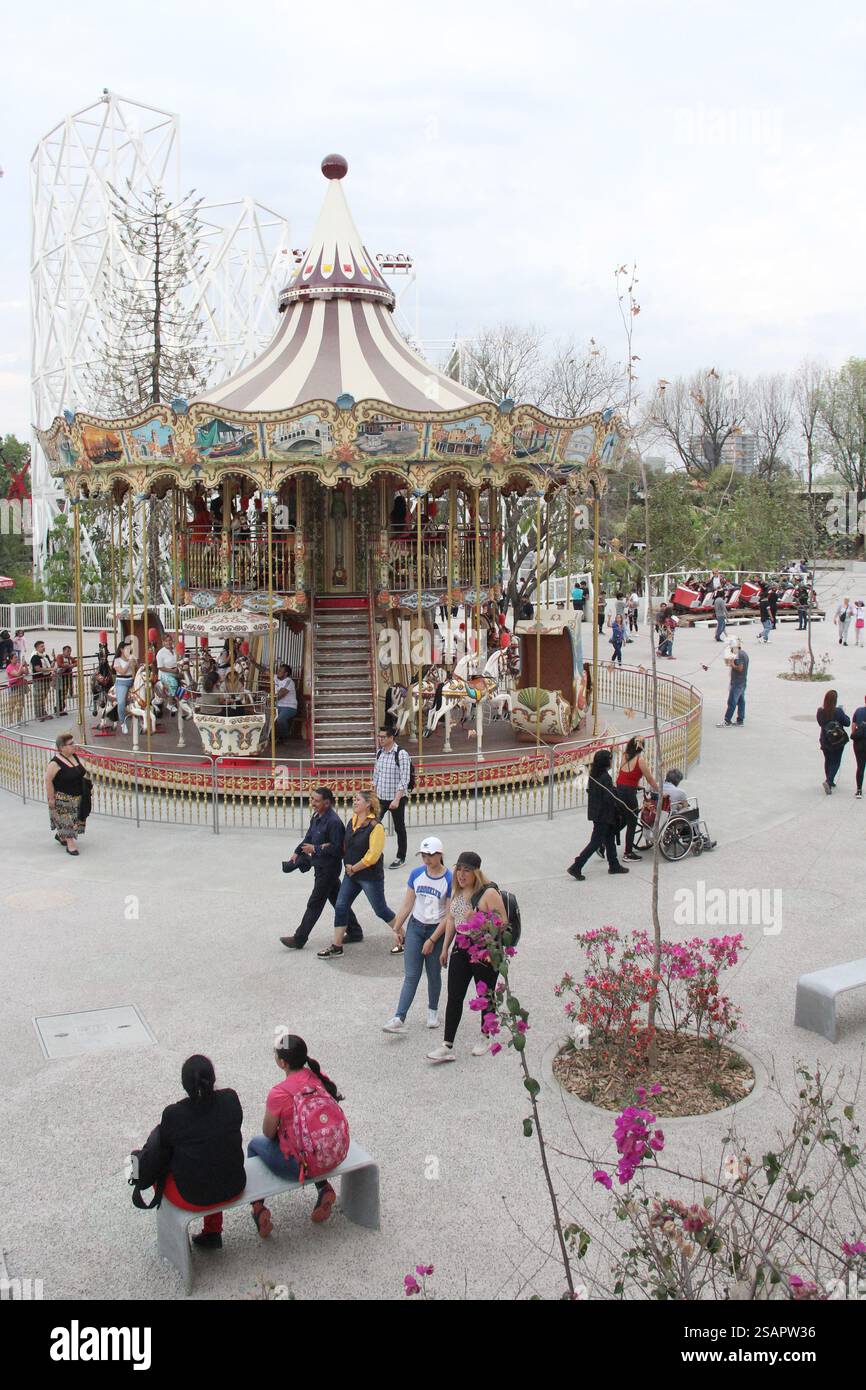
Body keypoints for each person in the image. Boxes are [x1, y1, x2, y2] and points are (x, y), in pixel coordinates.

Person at [131, 1055, 244, 1251]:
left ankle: (175, 1244)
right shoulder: (230, 1099)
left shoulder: (174, 1115)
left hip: (193, 1197)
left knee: (163, 1169)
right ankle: (212, 1231)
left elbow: (163, 1152)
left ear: (184, 1085)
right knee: (214, 1154)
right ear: (213, 1079)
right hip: (235, 1184)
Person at [247, 1034, 344, 1235]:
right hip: (334, 1152)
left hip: (300, 1167)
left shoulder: (279, 1093)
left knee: (254, 1144)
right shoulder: (316, 1076)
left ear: (282, 1063)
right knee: (309, 1143)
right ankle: (324, 1187)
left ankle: (257, 1207)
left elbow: (268, 1132)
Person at [425, 851, 508, 1063]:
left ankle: (485, 1035)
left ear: (476, 873)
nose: (461, 874)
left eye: (467, 870)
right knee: (454, 995)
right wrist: (444, 948)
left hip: (483, 947)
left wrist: (477, 918)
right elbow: (452, 919)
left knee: (485, 994)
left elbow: (503, 923)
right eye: (459, 869)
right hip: (461, 947)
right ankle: (447, 1045)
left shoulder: (488, 893)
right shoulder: (458, 890)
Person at [317, 790, 398, 959]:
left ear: (368, 804)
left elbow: (373, 855)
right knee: (341, 905)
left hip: (368, 876)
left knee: (380, 910)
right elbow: (346, 845)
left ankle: (404, 935)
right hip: (351, 874)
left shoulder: (376, 827)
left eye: (358, 800)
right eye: (354, 799)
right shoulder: (351, 822)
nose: (354, 802)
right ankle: (337, 945)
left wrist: (354, 868)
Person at [382, 837, 452, 1033]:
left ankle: (432, 1011)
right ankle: (399, 1017)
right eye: (423, 855)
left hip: (435, 930)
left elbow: (448, 915)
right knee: (411, 975)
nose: (427, 859)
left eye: (431, 855)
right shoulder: (416, 874)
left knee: (433, 973)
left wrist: (433, 940)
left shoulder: (449, 879)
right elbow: (407, 904)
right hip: (416, 927)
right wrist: (397, 928)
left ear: (440, 855)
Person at [279, 787, 363, 949]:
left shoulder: (334, 822)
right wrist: (297, 852)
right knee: (338, 900)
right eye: (312, 800)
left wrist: (316, 849)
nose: (313, 803)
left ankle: (299, 938)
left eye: (316, 801)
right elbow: (309, 836)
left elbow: (338, 849)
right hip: (319, 866)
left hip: (329, 869)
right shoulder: (316, 816)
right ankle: (355, 931)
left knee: (315, 903)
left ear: (327, 803)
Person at [567, 748, 628, 879]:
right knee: (595, 842)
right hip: (604, 815)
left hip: (597, 813)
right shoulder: (605, 777)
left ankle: (614, 864)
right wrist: (616, 795)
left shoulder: (593, 776)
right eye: (610, 759)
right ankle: (576, 866)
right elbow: (608, 798)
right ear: (606, 762)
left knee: (609, 838)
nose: (612, 761)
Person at [373, 726, 411, 868]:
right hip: (381, 797)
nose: (380, 739)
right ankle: (374, 855)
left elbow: (404, 778)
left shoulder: (401, 754)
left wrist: (397, 799)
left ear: (391, 738)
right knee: (373, 825)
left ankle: (401, 856)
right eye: (379, 736)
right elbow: (376, 775)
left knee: (399, 827)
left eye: (383, 737)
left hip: (396, 798)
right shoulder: (379, 753)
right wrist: (373, 795)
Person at [45, 731, 88, 855]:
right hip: (63, 798)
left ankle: (61, 835)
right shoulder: (55, 763)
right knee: (67, 821)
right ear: (62, 747)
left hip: (78, 795)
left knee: (75, 820)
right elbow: (48, 780)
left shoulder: (74, 757)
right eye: (71, 744)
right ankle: (70, 844)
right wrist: (51, 798)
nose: (74, 745)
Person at [615, 737, 659, 861]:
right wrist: (660, 790)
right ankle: (628, 853)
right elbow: (650, 779)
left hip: (619, 788)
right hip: (629, 793)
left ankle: (603, 841)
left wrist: (635, 784)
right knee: (632, 822)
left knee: (623, 819)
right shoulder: (640, 760)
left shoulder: (625, 756)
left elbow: (625, 775)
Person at [816, 689, 850, 795]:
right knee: (836, 761)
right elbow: (847, 722)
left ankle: (829, 779)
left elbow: (821, 723)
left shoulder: (820, 711)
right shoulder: (838, 712)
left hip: (825, 740)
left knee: (828, 760)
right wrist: (843, 712)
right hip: (837, 741)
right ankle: (829, 781)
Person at [718, 640, 749, 727]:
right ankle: (740, 720)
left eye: (732, 648)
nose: (731, 650)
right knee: (741, 701)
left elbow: (740, 668)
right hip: (742, 681)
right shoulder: (744, 653)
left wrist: (732, 664)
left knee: (732, 701)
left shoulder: (740, 655)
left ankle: (727, 720)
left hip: (737, 683)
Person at [112, 638, 136, 734]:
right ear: (122, 650)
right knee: (121, 702)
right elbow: (122, 671)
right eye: (127, 648)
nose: (129, 650)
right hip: (122, 682)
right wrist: (129, 663)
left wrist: (134, 663)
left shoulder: (132, 658)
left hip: (132, 681)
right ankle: (122, 723)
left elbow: (135, 670)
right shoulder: (117, 660)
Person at [274, 663, 298, 741]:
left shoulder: (289, 681)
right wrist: (253, 662)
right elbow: (264, 670)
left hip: (289, 707)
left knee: (280, 719)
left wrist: (270, 698)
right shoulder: (276, 678)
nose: (278, 671)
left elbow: (281, 695)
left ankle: (284, 736)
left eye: (280, 671)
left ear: (286, 673)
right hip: (278, 706)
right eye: (278, 670)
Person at [30, 641, 52, 721]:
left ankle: (43, 712)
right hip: (39, 680)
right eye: (41, 646)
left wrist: (53, 664)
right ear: (37, 648)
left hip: (46, 679)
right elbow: (38, 669)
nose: (43, 647)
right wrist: (51, 669)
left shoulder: (46, 656)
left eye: (43, 646)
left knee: (43, 697)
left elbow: (49, 665)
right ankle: (38, 714)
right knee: (38, 697)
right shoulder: (35, 657)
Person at [5, 649, 28, 720]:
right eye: (15, 657)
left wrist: (26, 666)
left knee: (21, 705)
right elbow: (17, 674)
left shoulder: (18, 665)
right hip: (14, 688)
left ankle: (19, 720)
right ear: (11, 659)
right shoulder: (9, 667)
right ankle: (10, 720)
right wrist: (21, 665)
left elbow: (26, 673)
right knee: (12, 705)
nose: (17, 659)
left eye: (17, 657)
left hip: (20, 686)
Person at [52, 645, 75, 716]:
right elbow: (60, 664)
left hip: (68, 678)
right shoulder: (59, 656)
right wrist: (70, 665)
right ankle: (58, 709)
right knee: (60, 693)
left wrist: (71, 665)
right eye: (68, 651)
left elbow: (76, 662)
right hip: (61, 678)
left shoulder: (69, 658)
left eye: (70, 651)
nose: (69, 653)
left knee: (64, 693)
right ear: (64, 651)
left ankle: (61, 708)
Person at [156, 635, 179, 700]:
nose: (168, 642)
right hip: (165, 673)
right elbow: (160, 667)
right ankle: (170, 702)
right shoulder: (161, 653)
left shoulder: (175, 650)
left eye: (170, 640)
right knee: (173, 683)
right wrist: (172, 671)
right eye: (166, 641)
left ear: (172, 641)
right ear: (163, 642)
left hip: (176, 671)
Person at [852, 696, 866, 798]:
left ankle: (859, 790)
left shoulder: (859, 711)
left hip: (859, 743)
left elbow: (853, 727)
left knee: (860, 767)